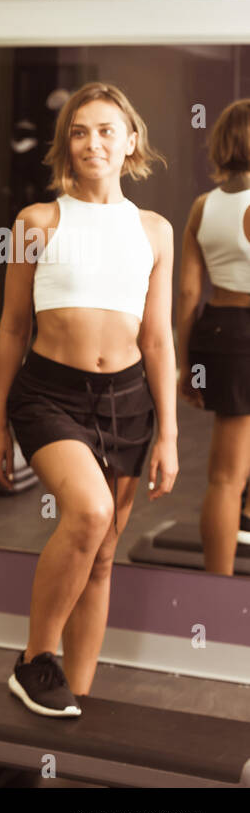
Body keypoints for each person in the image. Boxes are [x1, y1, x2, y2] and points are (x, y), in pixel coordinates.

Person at [0, 82, 177, 718]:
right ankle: (35, 660)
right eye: (79, 130)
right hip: (49, 394)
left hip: (128, 402)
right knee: (90, 514)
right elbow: (13, 327)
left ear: (130, 142)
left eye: (105, 130)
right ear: (66, 143)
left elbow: (157, 337)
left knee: (101, 556)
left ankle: (78, 704)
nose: (92, 141)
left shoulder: (155, 230)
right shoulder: (35, 222)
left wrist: (170, 435)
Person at [177, 97, 250, 575]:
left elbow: (186, 293)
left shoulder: (203, 206)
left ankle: (217, 588)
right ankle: (218, 590)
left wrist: (185, 367)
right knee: (228, 476)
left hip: (219, 332)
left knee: (226, 474)